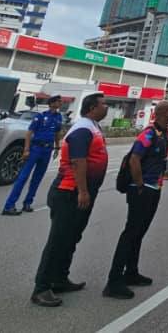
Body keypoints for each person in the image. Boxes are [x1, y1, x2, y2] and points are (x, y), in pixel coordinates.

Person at [31, 92, 110, 308]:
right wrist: (83, 191)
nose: (107, 107)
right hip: (69, 192)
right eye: (104, 104)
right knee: (58, 241)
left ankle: (60, 278)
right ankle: (42, 287)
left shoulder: (92, 125)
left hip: (80, 193)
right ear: (92, 107)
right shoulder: (83, 128)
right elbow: (77, 160)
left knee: (71, 238)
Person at [104, 100, 168, 299]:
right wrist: (140, 184)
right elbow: (135, 159)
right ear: (163, 112)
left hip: (154, 188)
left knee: (139, 233)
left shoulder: (163, 133)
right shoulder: (149, 133)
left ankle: (131, 272)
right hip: (142, 191)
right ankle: (114, 281)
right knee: (131, 233)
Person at [2, 95, 65, 216]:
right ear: (51, 103)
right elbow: (29, 133)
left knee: (37, 178)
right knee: (23, 177)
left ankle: (28, 203)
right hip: (36, 148)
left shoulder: (58, 117)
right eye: (58, 101)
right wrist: (26, 150)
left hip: (47, 149)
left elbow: (57, 132)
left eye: (61, 101)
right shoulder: (41, 116)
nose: (60, 103)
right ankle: (9, 205)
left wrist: (57, 147)